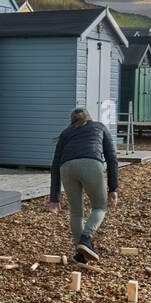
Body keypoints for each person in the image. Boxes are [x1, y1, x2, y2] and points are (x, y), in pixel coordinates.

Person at [48, 107, 120, 264]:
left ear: (72, 121)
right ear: (89, 117)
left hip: (66, 168)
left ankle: (80, 255)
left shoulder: (66, 133)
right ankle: (86, 239)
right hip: (91, 164)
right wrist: (113, 188)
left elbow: (55, 164)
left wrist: (54, 198)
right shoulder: (99, 127)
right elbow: (112, 158)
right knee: (100, 207)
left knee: (76, 213)